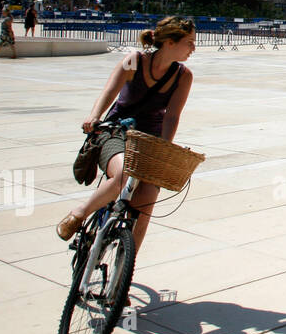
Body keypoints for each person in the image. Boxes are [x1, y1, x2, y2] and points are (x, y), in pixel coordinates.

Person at [57, 16, 196, 253]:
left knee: (148, 196)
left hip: (148, 139)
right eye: (189, 42)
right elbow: (110, 91)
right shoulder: (134, 62)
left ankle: (125, 262)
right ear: (170, 42)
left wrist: (164, 148)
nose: (193, 48)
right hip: (115, 130)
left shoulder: (183, 76)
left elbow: (172, 117)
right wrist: (94, 116)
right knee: (123, 173)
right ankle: (78, 214)